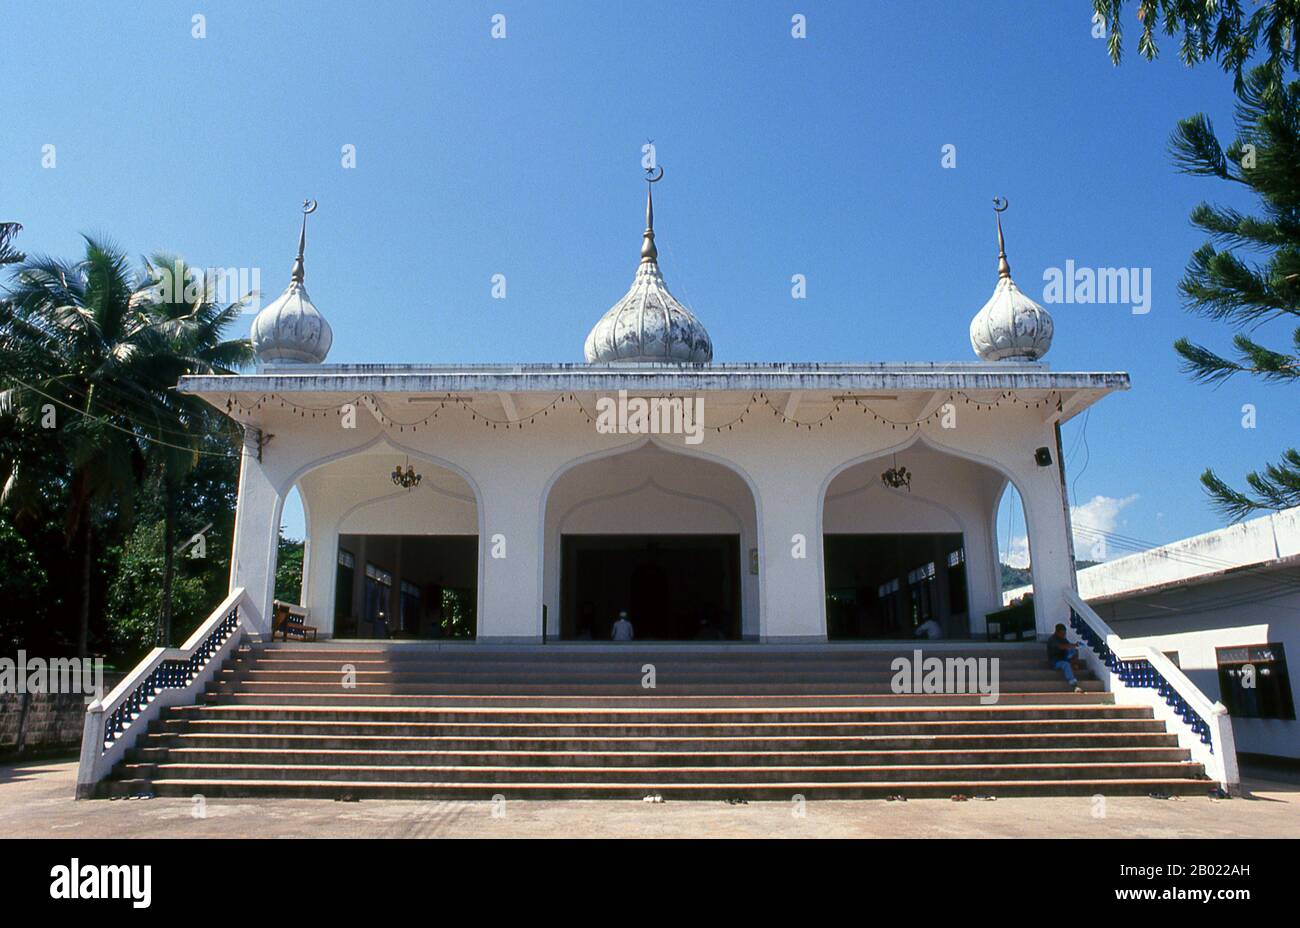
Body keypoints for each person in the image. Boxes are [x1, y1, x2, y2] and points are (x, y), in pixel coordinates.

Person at [1046, 623, 1085, 693]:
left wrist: (1074, 647)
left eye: (1064, 633)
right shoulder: (1052, 639)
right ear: (1057, 632)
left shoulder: (1063, 639)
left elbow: (1069, 646)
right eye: (1062, 633)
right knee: (1066, 664)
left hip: (1064, 658)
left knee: (1073, 650)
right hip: (1055, 662)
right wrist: (1073, 645)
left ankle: (1074, 665)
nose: (1064, 635)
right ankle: (1074, 685)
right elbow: (1061, 646)